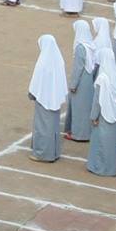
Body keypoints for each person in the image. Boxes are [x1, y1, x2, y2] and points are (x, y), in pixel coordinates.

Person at [29, 34, 68, 163]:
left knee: (42, 126)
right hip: (55, 98)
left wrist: (32, 94)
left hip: (43, 99)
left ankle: (42, 153)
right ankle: (53, 152)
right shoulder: (59, 60)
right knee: (53, 126)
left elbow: (36, 82)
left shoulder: (42, 63)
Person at [87, 49, 116, 177]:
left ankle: (99, 167)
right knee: (111, 143)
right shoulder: (115, 74)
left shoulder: (102, 78)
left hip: (102, 115)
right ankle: (111, 168)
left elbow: (97, 101)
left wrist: (93, 116)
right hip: (113, 113)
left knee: (100, 143)